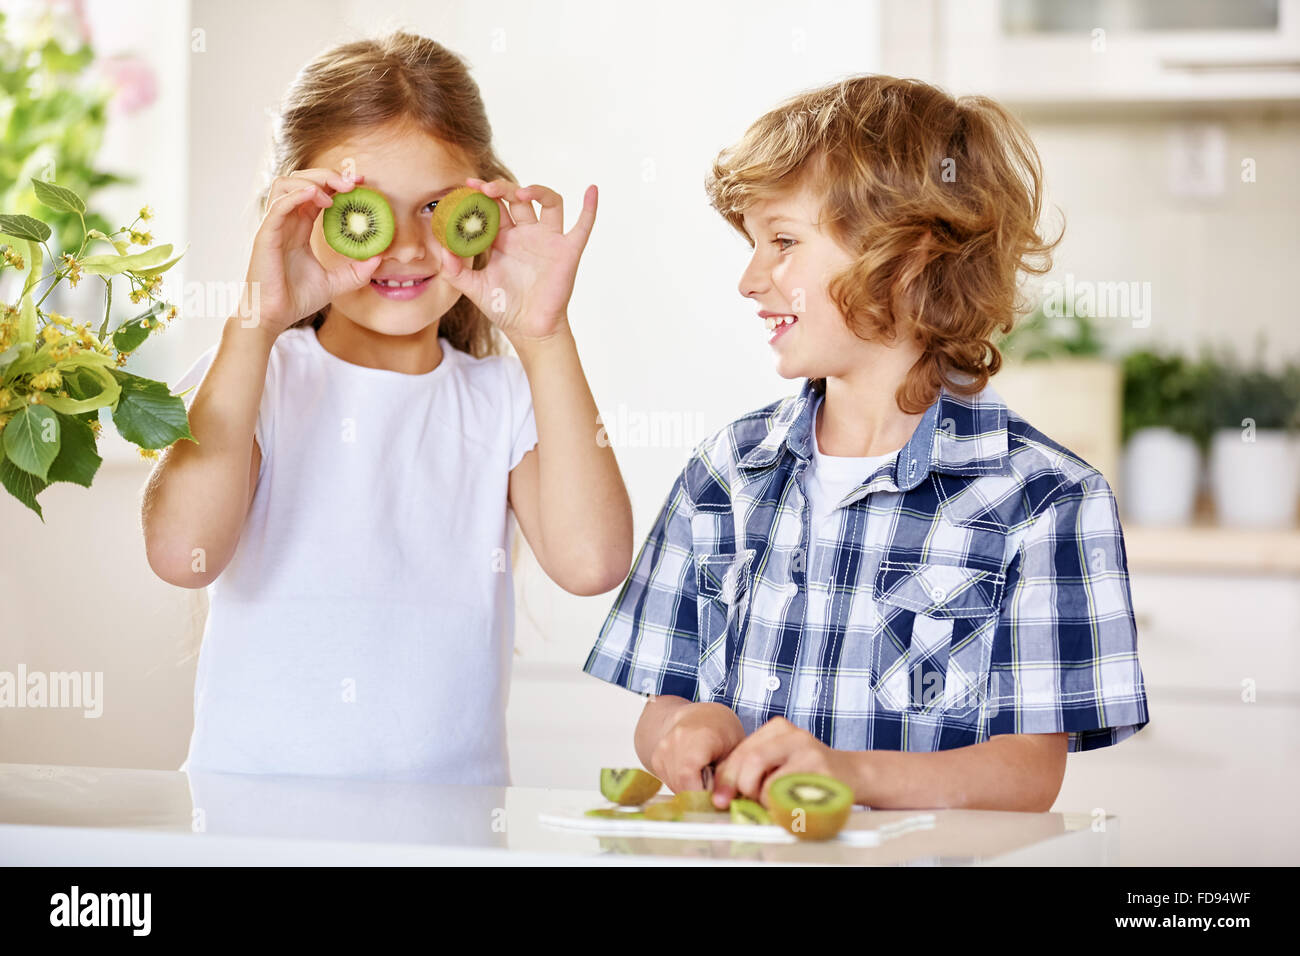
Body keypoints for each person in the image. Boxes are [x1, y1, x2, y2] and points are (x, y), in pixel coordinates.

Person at [583, 75, 1148, 812]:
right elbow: (662, 707)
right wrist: (689, 729)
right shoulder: (725, 474)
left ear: (906, 252)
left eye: (782, 242)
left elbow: (1026, 775)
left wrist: (846, 774)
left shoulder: (1044, 500)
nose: (750, 279)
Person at [143, 32, 631, 783]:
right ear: (298, 211)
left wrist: (544, 336)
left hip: (449, 828)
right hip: (249, 823)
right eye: (365, 209)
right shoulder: (258, 378)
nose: (403, 248)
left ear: (486, 205)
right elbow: (182, 555)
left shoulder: (500, 398)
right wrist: (254, 322)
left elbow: (592, 562)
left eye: (438, 208)